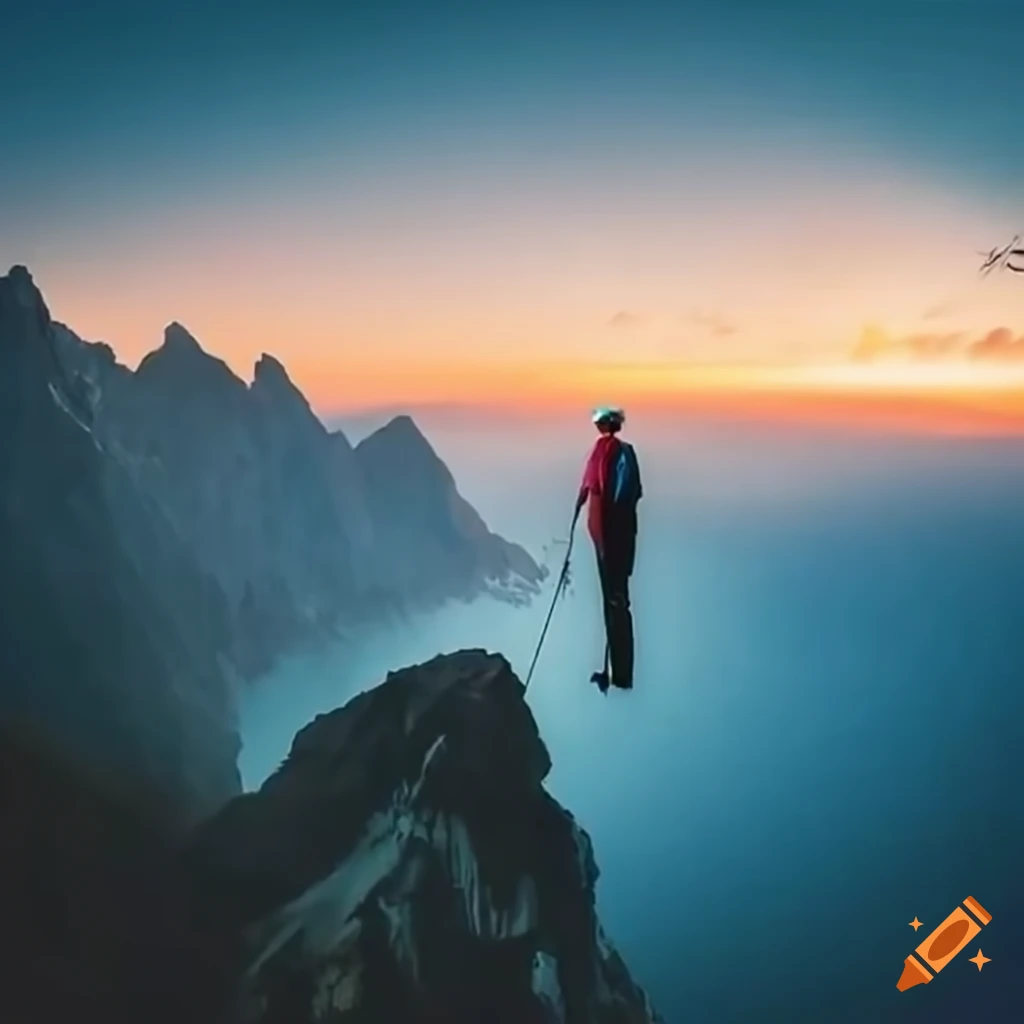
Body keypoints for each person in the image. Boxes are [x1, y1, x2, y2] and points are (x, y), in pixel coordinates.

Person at [574, 406, 642, 693]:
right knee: (616, 603)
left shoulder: (608, 452)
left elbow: (593, 488)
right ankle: (617, 672)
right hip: (612, 538)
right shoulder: (617, 452)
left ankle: (620, 673)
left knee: (614, 602)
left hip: (609, 539)